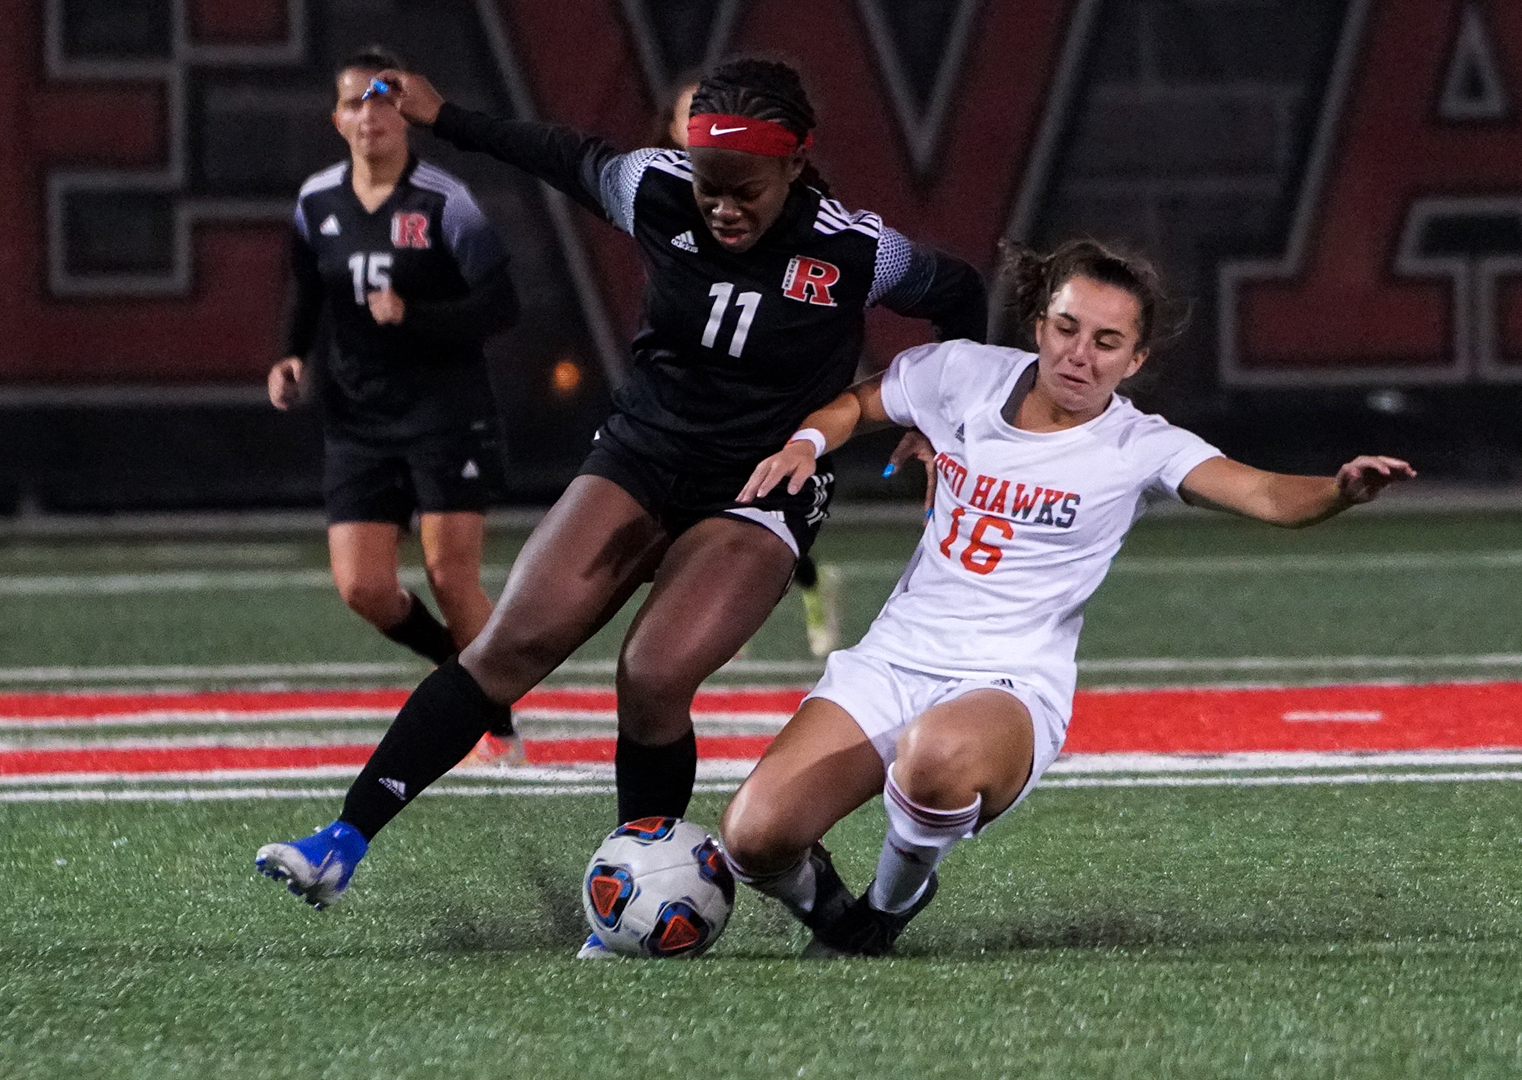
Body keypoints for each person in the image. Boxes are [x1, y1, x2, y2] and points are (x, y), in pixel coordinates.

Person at [255, 59, 990, 955]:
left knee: (650, 676)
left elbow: (958, 295)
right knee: (510, 643)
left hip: (758, 484)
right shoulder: (657, 185)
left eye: (743, 190)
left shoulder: (853, 248)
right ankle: (344, 838)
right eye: (707, 183)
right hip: (643, 452)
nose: (719, 205)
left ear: (798, 164)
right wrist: (447, 114)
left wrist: (941, 421)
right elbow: (558, 153)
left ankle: (633, 898)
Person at [717, 237, 1416, 957]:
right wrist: (807, 441)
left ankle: (887, 908)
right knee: (754, 837)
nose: (1081, 354)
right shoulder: (966, 374)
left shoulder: (1140, 446)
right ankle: (834, 915)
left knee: (935, 758)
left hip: (1008, 684)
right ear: (1039, 324)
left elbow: (1268, 494)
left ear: (1135, 360)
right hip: (895, 659)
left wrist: (1339, 491)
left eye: (1108, 341)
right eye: (1068, 328)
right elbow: (864, 402)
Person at [268, 48, 525, 765]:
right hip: (358, 415)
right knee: (364, 587)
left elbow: (501, 304)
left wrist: (416, 315)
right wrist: (290, 355)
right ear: (336, 119)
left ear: (405, 110)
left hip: (445, 409)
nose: (371, 114)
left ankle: (494, 720)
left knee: (450, 575)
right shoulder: (317, 199)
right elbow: (305, 290)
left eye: (385, 99)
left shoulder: (444, 200)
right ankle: (463, 672)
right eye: (356, 102)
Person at [650, 75, 844, 657]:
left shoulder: (794, 216)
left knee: (758, 490)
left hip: (762, 390)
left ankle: (795, 583)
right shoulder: (661, 196)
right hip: (688, 388)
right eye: (694, 127)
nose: (709, 140)